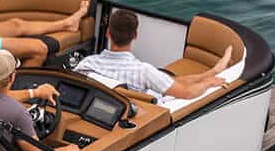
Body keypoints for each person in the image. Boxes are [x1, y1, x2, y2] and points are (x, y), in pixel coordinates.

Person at [77, 9, 235, 102]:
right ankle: (214, 72)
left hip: (112, 102)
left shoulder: (87, 64)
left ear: (107, 33)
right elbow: (187, 93)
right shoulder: (142, 71)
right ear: (135, 36)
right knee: (168, 82)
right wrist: (208, 84)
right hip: (148, 104)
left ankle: (212, 71)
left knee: (167, 80)